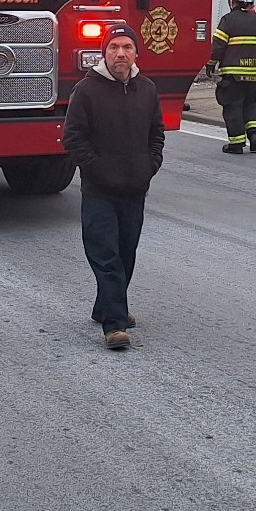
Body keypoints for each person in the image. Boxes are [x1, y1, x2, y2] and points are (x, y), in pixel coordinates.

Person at [62, 23, 165, 350]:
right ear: (104, 53)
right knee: (105, 255)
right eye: (114, 47)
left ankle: (105, 306)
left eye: (127, 47)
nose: (120, 53)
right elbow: (73, 138)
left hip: (135, 190)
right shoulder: (86, 90)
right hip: (100, 192)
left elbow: (156, 134)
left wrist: (149, 167)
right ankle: (115, 325)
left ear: (136, 53)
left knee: (125, 253)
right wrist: (97, 170)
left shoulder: (147, 89)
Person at [209, 0, 256, 155]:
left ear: (232, 1)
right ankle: (254, 134)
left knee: (233, 107)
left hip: (233, 76)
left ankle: (236, 144)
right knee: (251, 104)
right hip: (254, 76)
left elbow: (218, 46)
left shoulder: (228, 21)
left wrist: (211, 63)